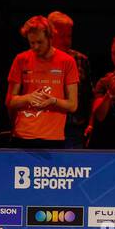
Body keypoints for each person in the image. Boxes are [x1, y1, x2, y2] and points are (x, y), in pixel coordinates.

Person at [7, 16, 79, 148]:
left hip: (54, 138)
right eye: (31, 43)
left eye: (40, 42)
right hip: (23, 136)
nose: (35, 47)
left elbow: (73, 105)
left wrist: (53, 101)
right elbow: (10, 101)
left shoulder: (67, 62)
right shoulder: (21, 60)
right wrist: (28, 98)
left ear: (50, 38)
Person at [49, 12, 92, 149]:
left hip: (73, 129)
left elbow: (89, 96)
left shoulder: (80, 60)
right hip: (45, 128)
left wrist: (89, 124)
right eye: (62, 36)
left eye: (69, 36)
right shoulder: (37, 60)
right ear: (49, 34)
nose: (67, 41)